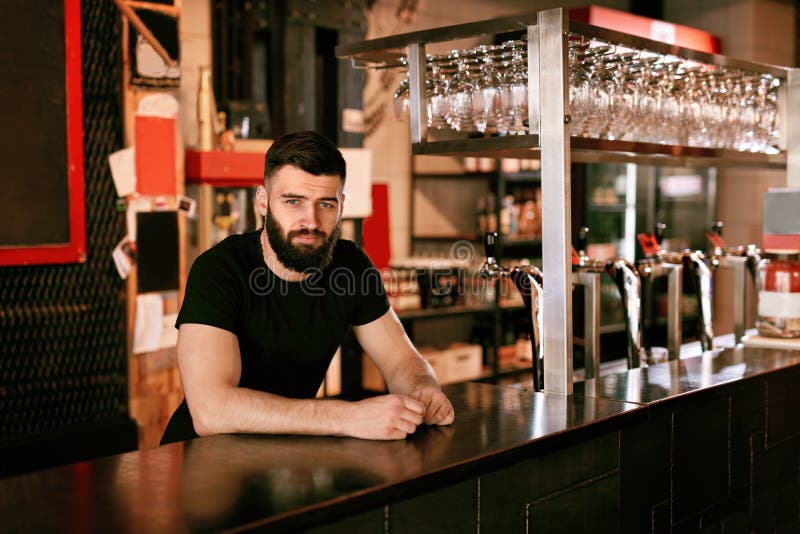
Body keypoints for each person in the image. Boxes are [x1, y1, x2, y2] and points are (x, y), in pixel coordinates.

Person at [161, 131, 454, 444]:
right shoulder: (218, 270)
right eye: (293, 201)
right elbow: (211, 411)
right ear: (262, 201)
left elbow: (401, 361)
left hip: (288, 460)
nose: (311, 221)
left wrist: (423, 389)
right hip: (202, 467)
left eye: (325, 204)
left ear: (341, 205)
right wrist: (350, 417)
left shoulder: (351, 266)